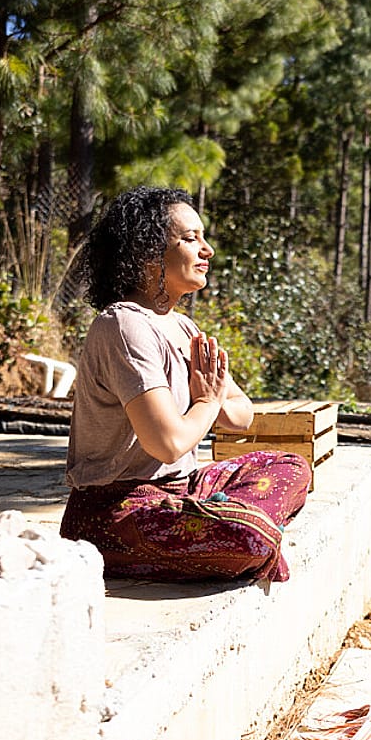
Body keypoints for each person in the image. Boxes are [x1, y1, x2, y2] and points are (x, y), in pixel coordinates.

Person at [60, 186, 311, 582]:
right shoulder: (124, 325)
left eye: (203, 237)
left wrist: (213, 400)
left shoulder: (183, 326)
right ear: (147, 253)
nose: (207, 249)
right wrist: (208, 402)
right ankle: (242, 531)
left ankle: (235, 527)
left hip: (183, 490)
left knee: (289, 465)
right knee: (245, 539)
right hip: (116, 511)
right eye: (190, 238)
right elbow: (168, 442)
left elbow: (241, 415)